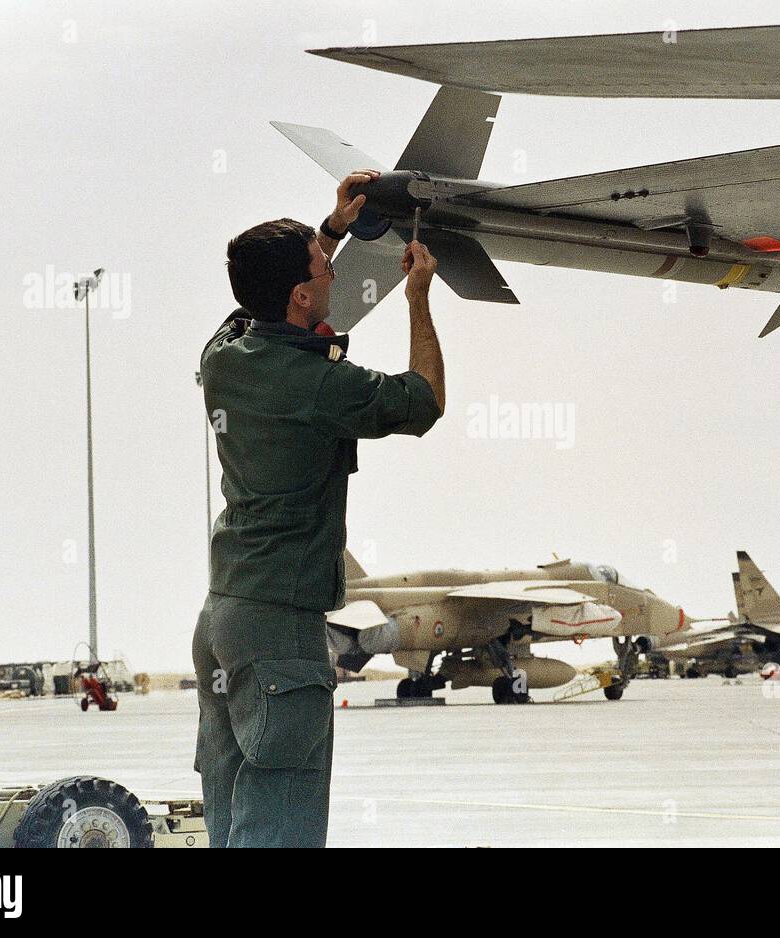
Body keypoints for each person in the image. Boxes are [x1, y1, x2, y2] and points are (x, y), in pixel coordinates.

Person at [192, 170, 445, 848]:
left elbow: (258, 307)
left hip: (224, 615)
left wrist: (328, 229)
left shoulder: (225, 360)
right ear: (301, 295)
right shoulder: (317, 384)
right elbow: (423, 402)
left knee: (235, 809)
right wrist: (418, 295)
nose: (334, 274)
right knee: (280, 822)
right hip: (279, 629)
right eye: (323, 269)